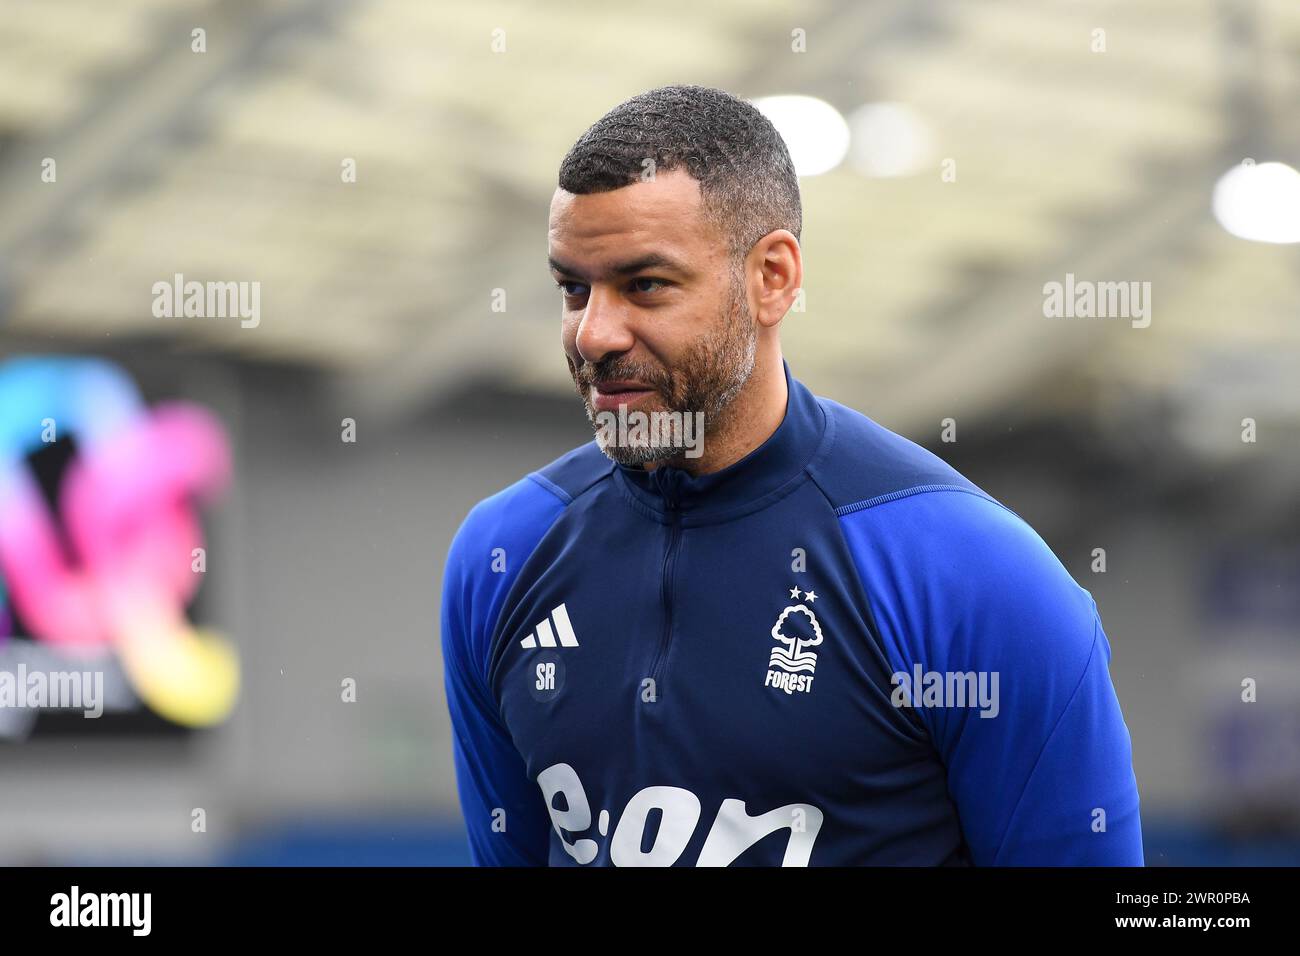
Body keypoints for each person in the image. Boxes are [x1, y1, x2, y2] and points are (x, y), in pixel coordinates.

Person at [441, 84, 1142, 866]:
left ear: (771, 277)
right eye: (574, 287)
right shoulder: (501, 557)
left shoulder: (971, 575)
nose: (594, 333)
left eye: (644, 284)